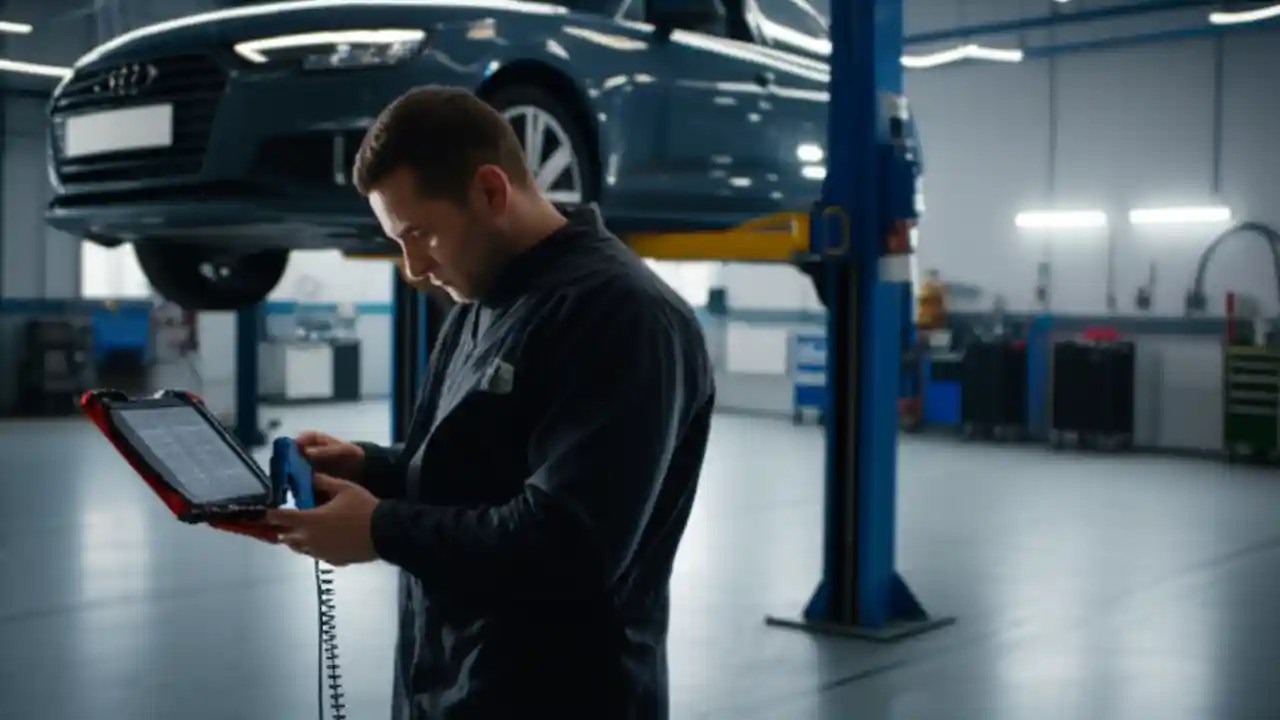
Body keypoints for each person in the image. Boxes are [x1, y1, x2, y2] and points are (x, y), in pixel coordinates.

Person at [262, 85, 716, 720]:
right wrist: (370, 467)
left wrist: (379, 528)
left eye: (420, 233)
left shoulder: (623, 315)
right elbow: (479, 469)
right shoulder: (483, 302)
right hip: (450, 685)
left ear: (490, 191)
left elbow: (569, 545)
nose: (413, 267)